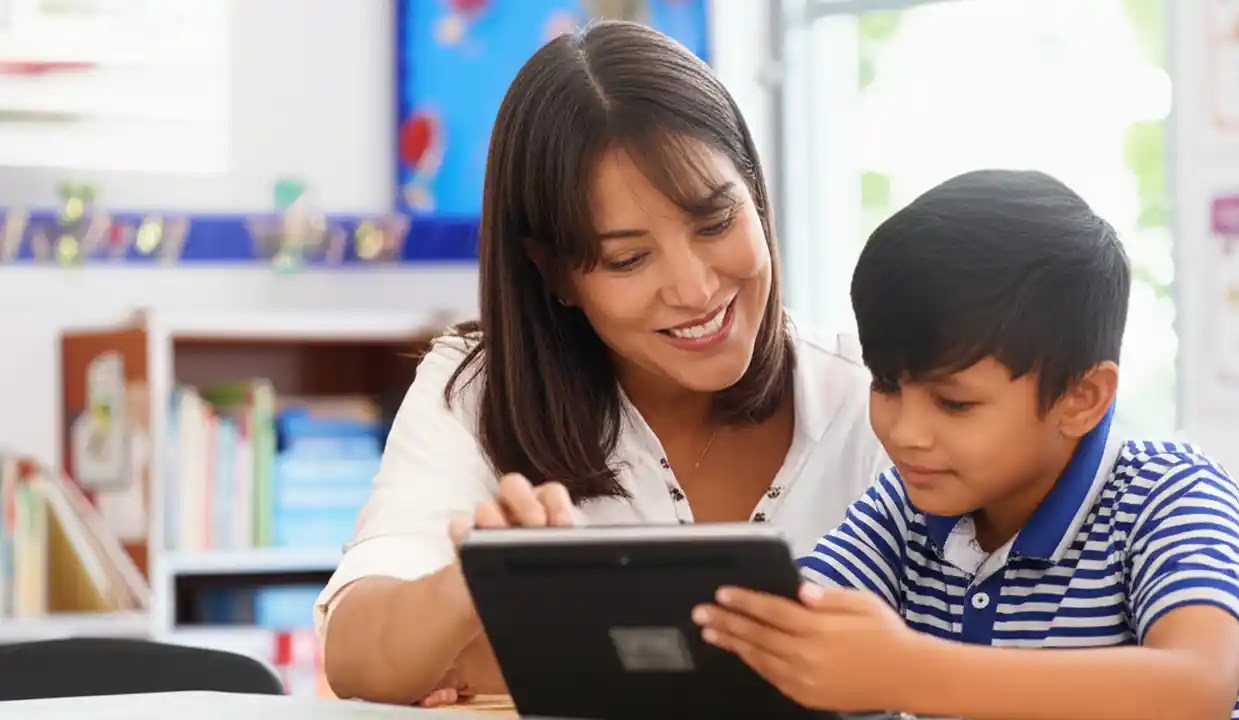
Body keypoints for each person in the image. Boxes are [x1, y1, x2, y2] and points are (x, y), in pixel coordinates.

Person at [317, 21, 888, 706]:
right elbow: (359, 659)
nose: (694, 288)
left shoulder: (871, 396)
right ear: (554, 272)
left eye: (715, 222)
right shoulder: (479, 389)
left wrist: (513, 647)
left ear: (757, 196)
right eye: (628, 259)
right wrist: (479, 581)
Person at [694, 170, 1239, 719]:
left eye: (954, 403)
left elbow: (1198, 688)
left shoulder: (1171, 496)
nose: (905, 433)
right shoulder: (902, 508)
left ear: (1081, 398)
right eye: (887, 385)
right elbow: (784, 628)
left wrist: (909, 672)